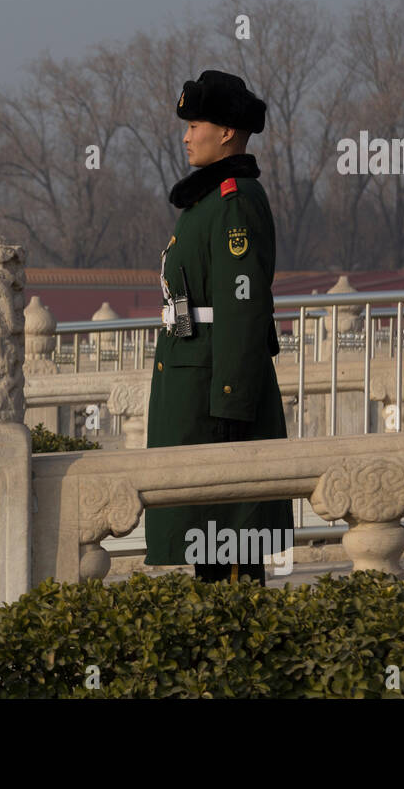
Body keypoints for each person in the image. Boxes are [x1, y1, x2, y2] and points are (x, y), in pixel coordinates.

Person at [144, 70, 292, 587]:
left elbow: (242, 309)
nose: (186, 135)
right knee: (207, 536)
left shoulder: (234, 200)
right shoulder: (206, 200)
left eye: (195, 124)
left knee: (231, 543)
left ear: (227, 131)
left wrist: (230, 402)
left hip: (214, 393)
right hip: (192, 381)